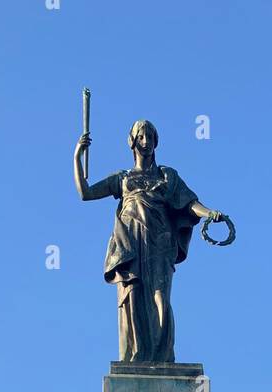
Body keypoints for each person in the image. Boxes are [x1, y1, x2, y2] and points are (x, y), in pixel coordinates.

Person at [74, 119, 230, 363]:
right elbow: (86, 193)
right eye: (141, 137)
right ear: (133, 141)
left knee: (161, 300)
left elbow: (189, 202)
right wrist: (77, 155)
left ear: (156, 142)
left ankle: (163, 360)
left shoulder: (167, 175)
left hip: (160, 240)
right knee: (133, 298)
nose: (146, 142)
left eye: (150, 137)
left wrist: (210, 213)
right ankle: (137, 357)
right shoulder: (123, 178)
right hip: (129, 242)